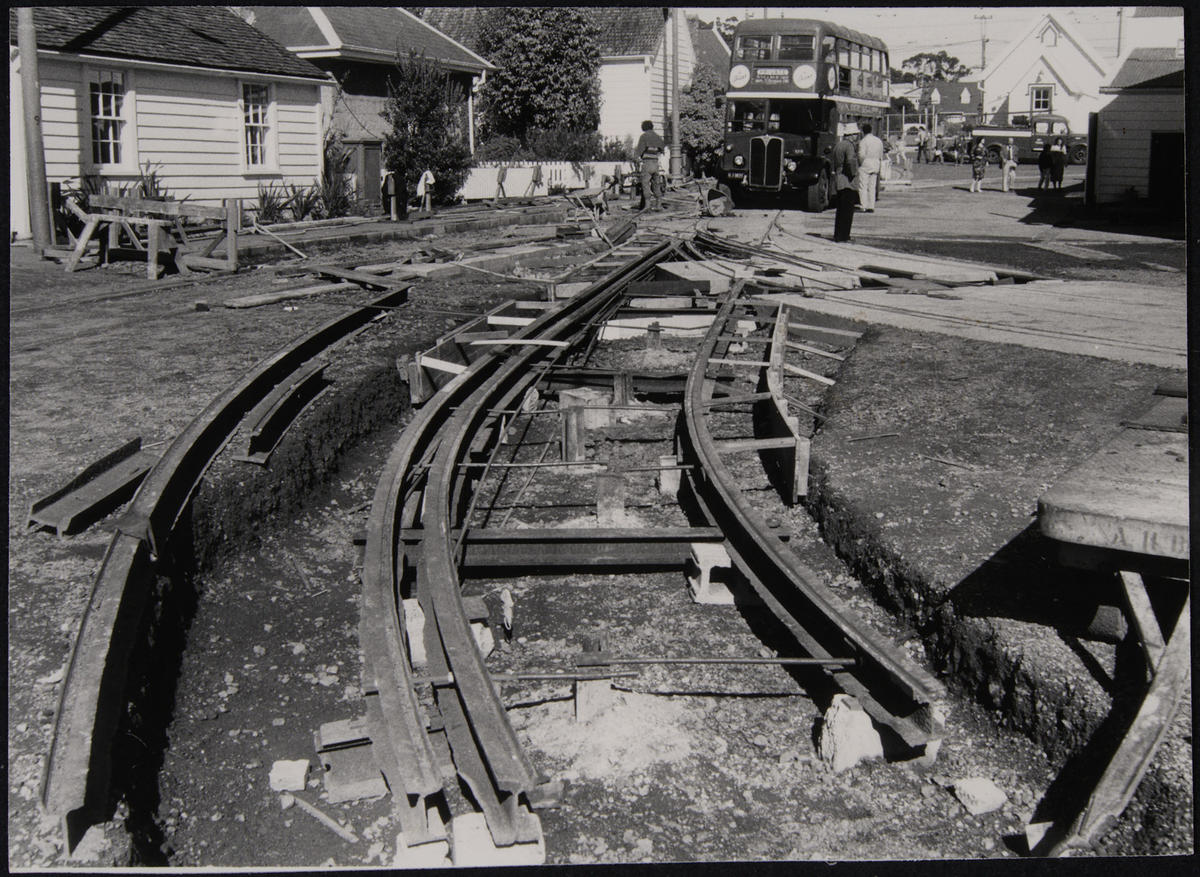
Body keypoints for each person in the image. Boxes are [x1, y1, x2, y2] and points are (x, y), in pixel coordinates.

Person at [832, 123, 860, 242]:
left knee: (840, 210)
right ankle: (844, 236)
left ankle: (838, 235)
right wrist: (853, 174)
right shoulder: (849, 146)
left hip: (839, 179)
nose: (857, 137)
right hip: (848, 182)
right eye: (855, 135)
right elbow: (850, 162)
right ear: (851, 135)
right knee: (848, 211)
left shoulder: (838, 145)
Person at [634, 120, 666, 210]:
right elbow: (662, 149)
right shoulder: (657, 137)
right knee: (656, 184)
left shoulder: (644, 137)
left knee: (645, 184)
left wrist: (636, 159)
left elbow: (639, 151)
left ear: (644, 127)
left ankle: (647, 206)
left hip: (647, 163)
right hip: (656, 164)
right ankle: (658, 205)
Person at [856, 122, 884, 212]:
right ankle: (871, 206)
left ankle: (863, 205)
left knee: (863, 186)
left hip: (866, 163)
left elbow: (861, 155)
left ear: (863, 132)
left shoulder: (863, 141)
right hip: (876, 163)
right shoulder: (878, 140)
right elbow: (881, 154)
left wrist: (860, 164)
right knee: (872, 186)